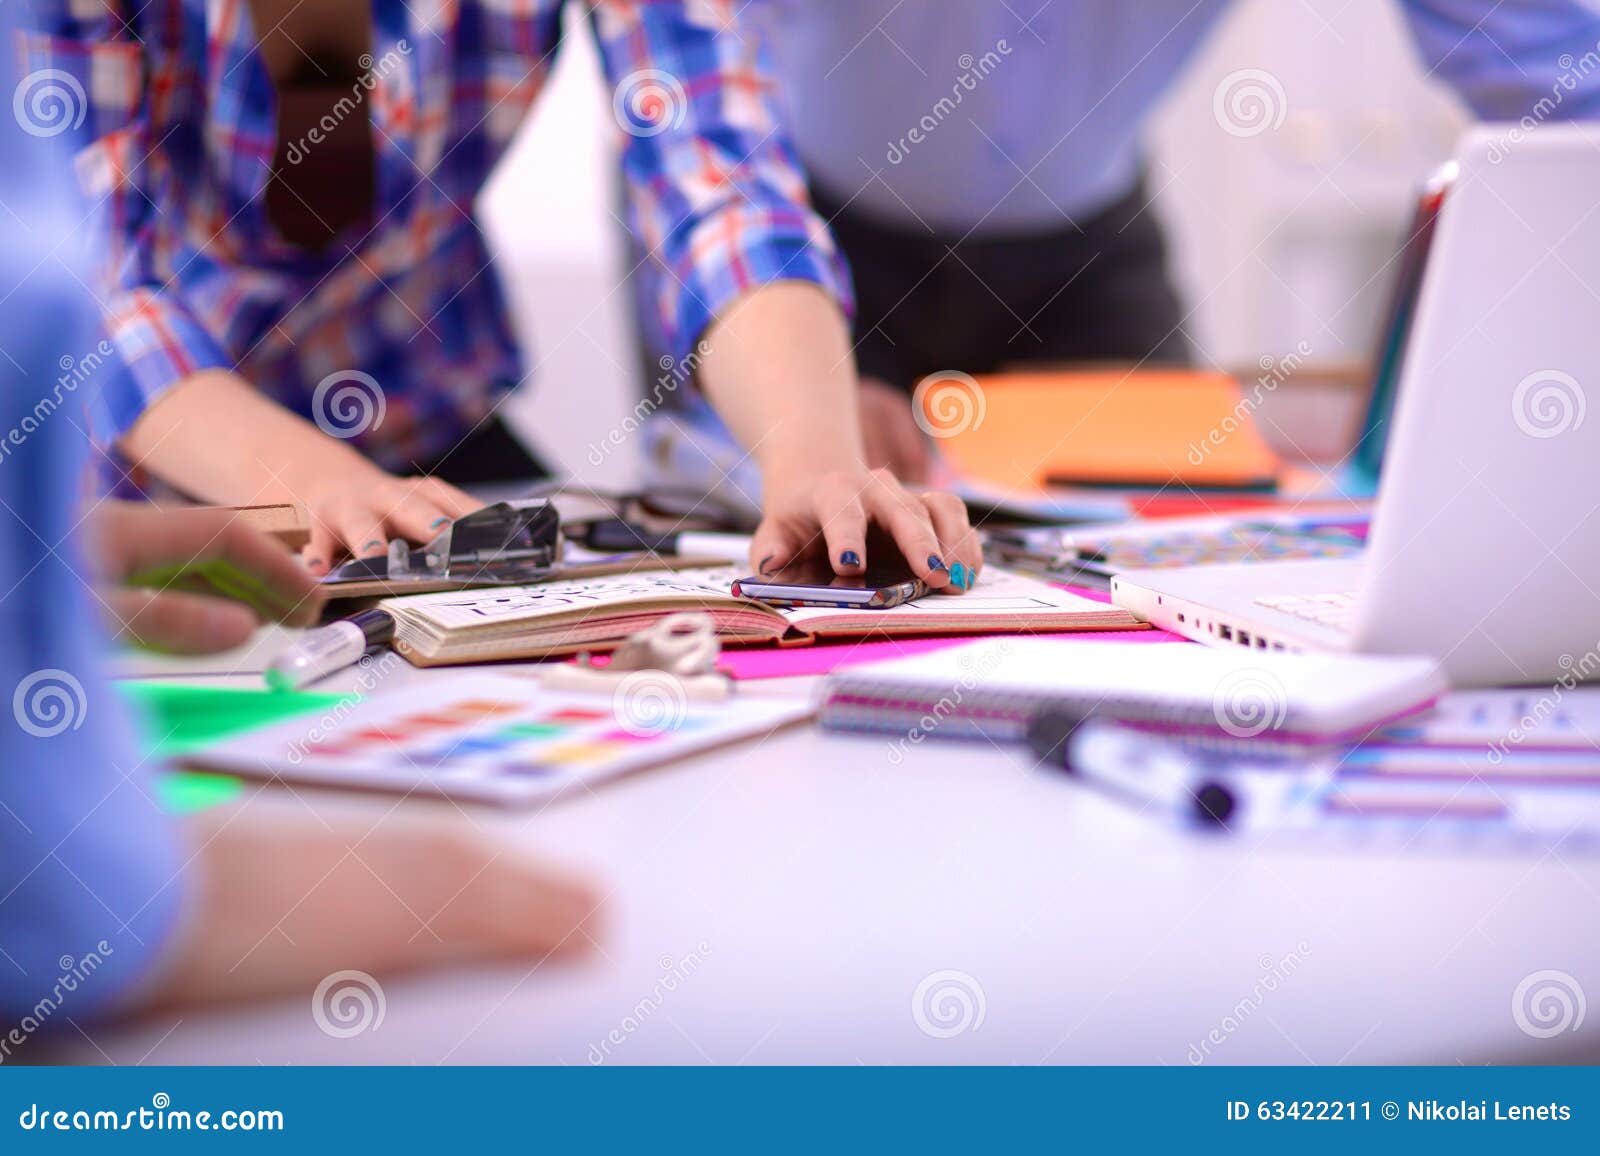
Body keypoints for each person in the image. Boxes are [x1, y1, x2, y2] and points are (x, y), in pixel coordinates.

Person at [0, 22, 598, 1037]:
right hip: (161, 490)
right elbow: (82, 286)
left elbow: (715, 160)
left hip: (420, 448)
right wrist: (113, 901)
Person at [24, 0, 981, 590]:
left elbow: (719, 184)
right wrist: (318, 489)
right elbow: (92, 292)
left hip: (431, 434)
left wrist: (811, 465)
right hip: (131, 480)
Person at [740, 0, 1600, 483]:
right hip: (793, 244)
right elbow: (696, 112)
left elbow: (1560, 73)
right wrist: (795, 402)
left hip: (1087, 252)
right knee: (784, 567)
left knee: (1168, 562)